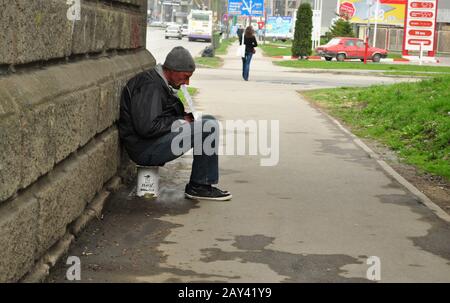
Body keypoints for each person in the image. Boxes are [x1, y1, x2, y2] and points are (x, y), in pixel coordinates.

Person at [118, 46, 232, 201]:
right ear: (172, 70)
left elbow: (159, 117)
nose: (187, 82)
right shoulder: (151, 86)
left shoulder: (160, 82)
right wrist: (180, 122)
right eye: (185, 77)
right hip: (144, 149)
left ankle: (201, 183)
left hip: (151, 143)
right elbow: (147, 127)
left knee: (208, 121)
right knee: (208, 127)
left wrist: (184, 119)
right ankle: (199, 186)